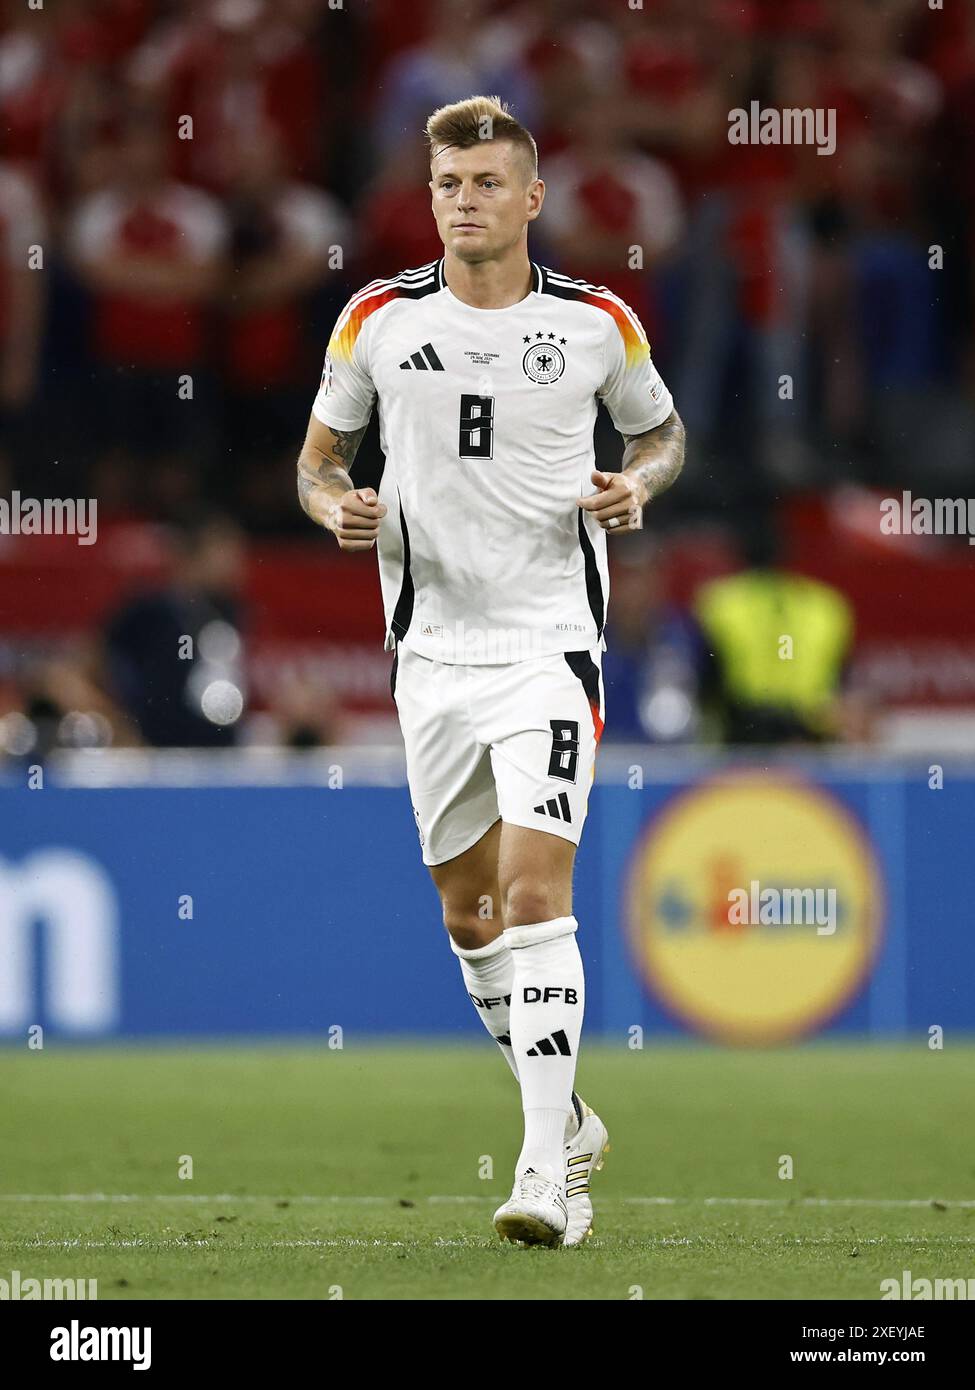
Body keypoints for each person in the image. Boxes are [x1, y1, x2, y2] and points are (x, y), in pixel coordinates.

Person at [296, 95, 684, 1248]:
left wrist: (640, 485)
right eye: (448, 186)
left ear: (531, 198)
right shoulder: (373, 320)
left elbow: (660, 433)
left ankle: (543, 1177)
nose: (466, 203)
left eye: (485, 184)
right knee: (468, 916)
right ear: (432, 198)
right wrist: (336, 508)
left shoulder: (598, 323)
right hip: (430, 656)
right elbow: (316, 462)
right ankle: (568, 1116)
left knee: (531, 893)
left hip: (548, 645)